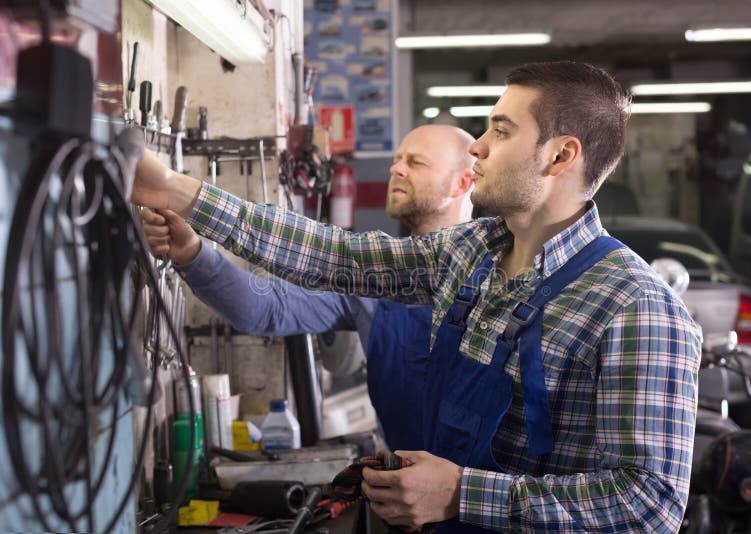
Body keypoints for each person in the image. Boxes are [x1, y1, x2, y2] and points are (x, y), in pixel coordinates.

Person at [132, 61, 702, 533]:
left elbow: (649, 505)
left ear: (560, 156)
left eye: (501, 131)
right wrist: (176, 192)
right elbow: (335, 256)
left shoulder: (635, 306)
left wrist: (461, 493)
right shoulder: (470, 253)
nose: (479, 146)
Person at [141, 124, 475, 451]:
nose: (396, 169)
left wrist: (173, 188)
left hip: (479, 482)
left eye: (416, 162)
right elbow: (265, 309)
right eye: (397, 159)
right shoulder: (371, 280)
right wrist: (193, 254)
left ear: (463, 182)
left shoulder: (488, 277)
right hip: (407, 477)